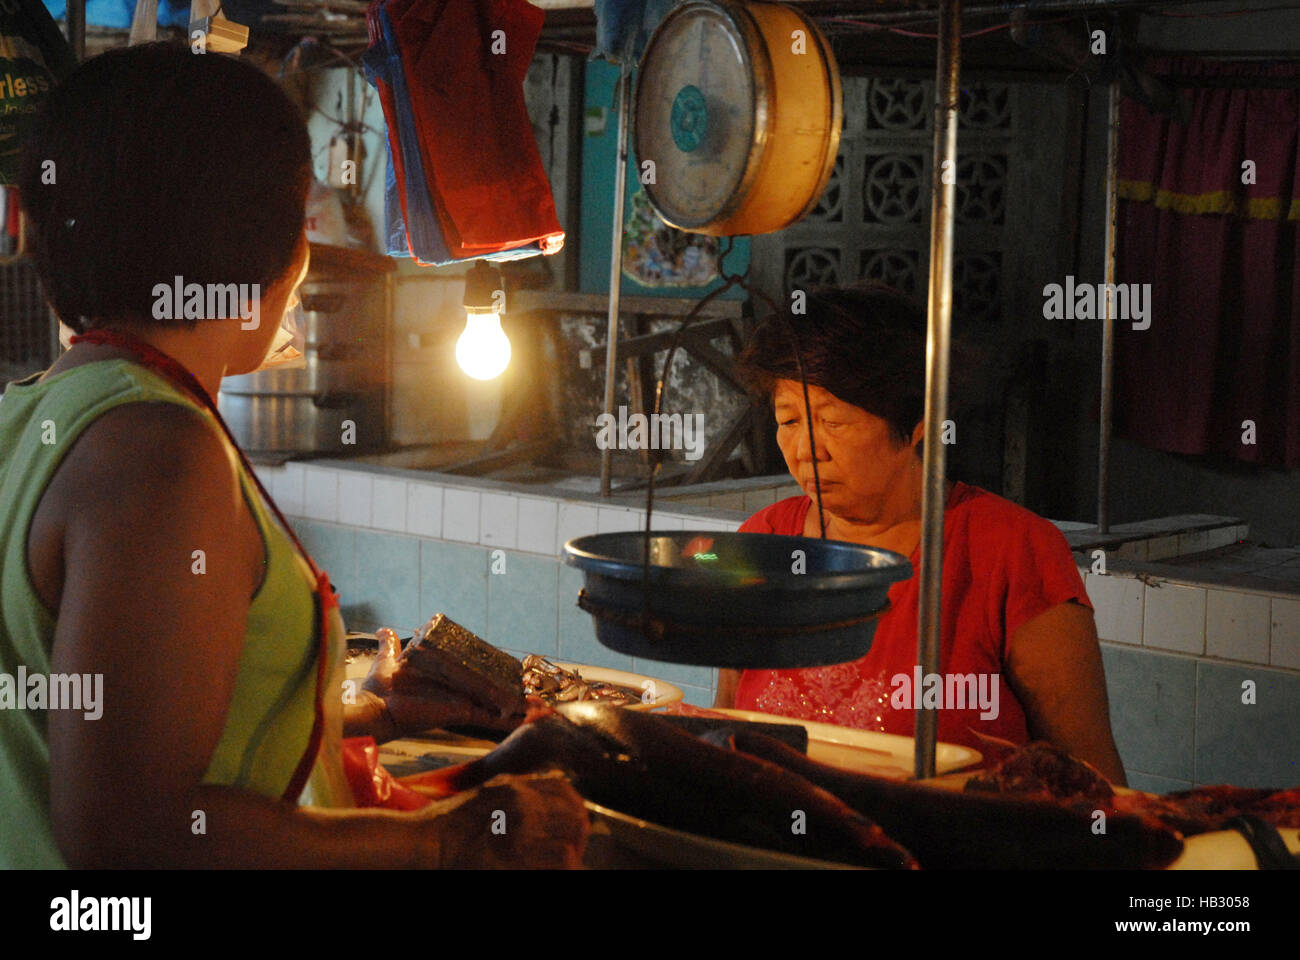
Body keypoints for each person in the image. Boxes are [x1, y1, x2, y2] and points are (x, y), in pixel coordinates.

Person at [0, 42, 587, 868]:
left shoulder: (35, 415)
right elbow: (129, 833)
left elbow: (93, 729)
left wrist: (350, 713)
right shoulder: (159, 455)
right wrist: (445, 840)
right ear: (268, 247)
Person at [714, 284, 1127, 784]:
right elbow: (727, 732)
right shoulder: (763, 540)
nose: (806, 449)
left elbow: (1092, 779)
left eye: (832, 421)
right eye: (789, 420)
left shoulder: (1011, 551)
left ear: (916, 426)